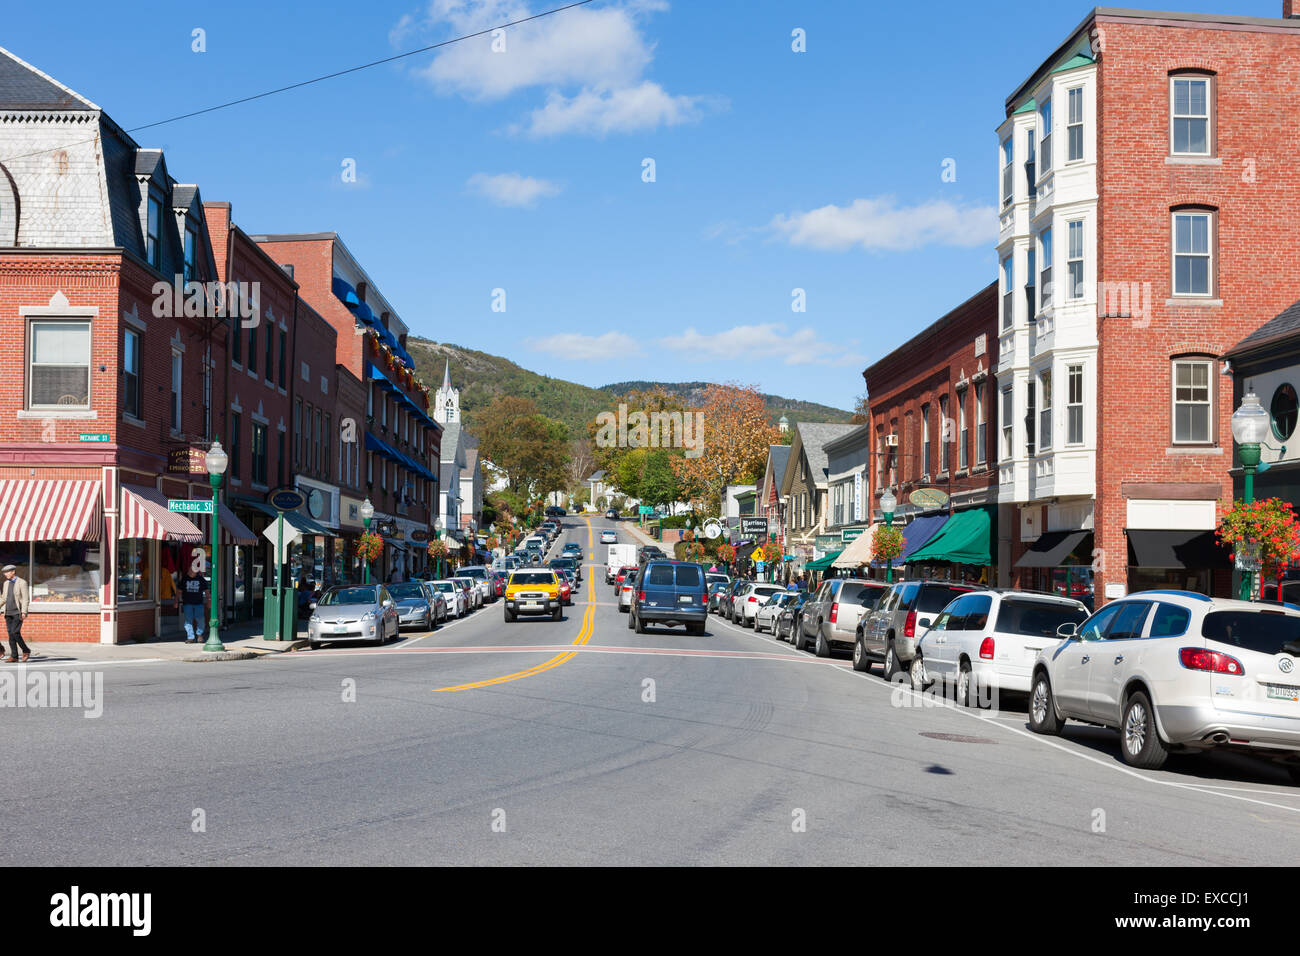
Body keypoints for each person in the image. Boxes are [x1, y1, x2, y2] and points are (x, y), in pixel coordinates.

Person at [1, 564, 31, 662]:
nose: (5, 574)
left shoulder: (22, 583)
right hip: (8, 612)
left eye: (7, 572)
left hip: (17, 612)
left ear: (13, 572)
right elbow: (4, 598)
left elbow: (26, 599)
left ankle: (26, 650)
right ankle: (14, 656)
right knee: (11, 634)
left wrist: (24, 612)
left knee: (15, 632)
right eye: (4, 572)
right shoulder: (6, 583)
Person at [180, 565, 207, 644]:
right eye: (189, 570)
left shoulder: (200, 579)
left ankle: (199, 635)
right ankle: (190, 637)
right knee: (188, 620)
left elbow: (206, 590)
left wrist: (209, 600)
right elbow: (179, 590)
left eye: (192, 571)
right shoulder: (184, 579)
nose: (190, 572)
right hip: (187, 603)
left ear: (196, 572)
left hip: (198, 603)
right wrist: (176, 601)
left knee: (200, 619)